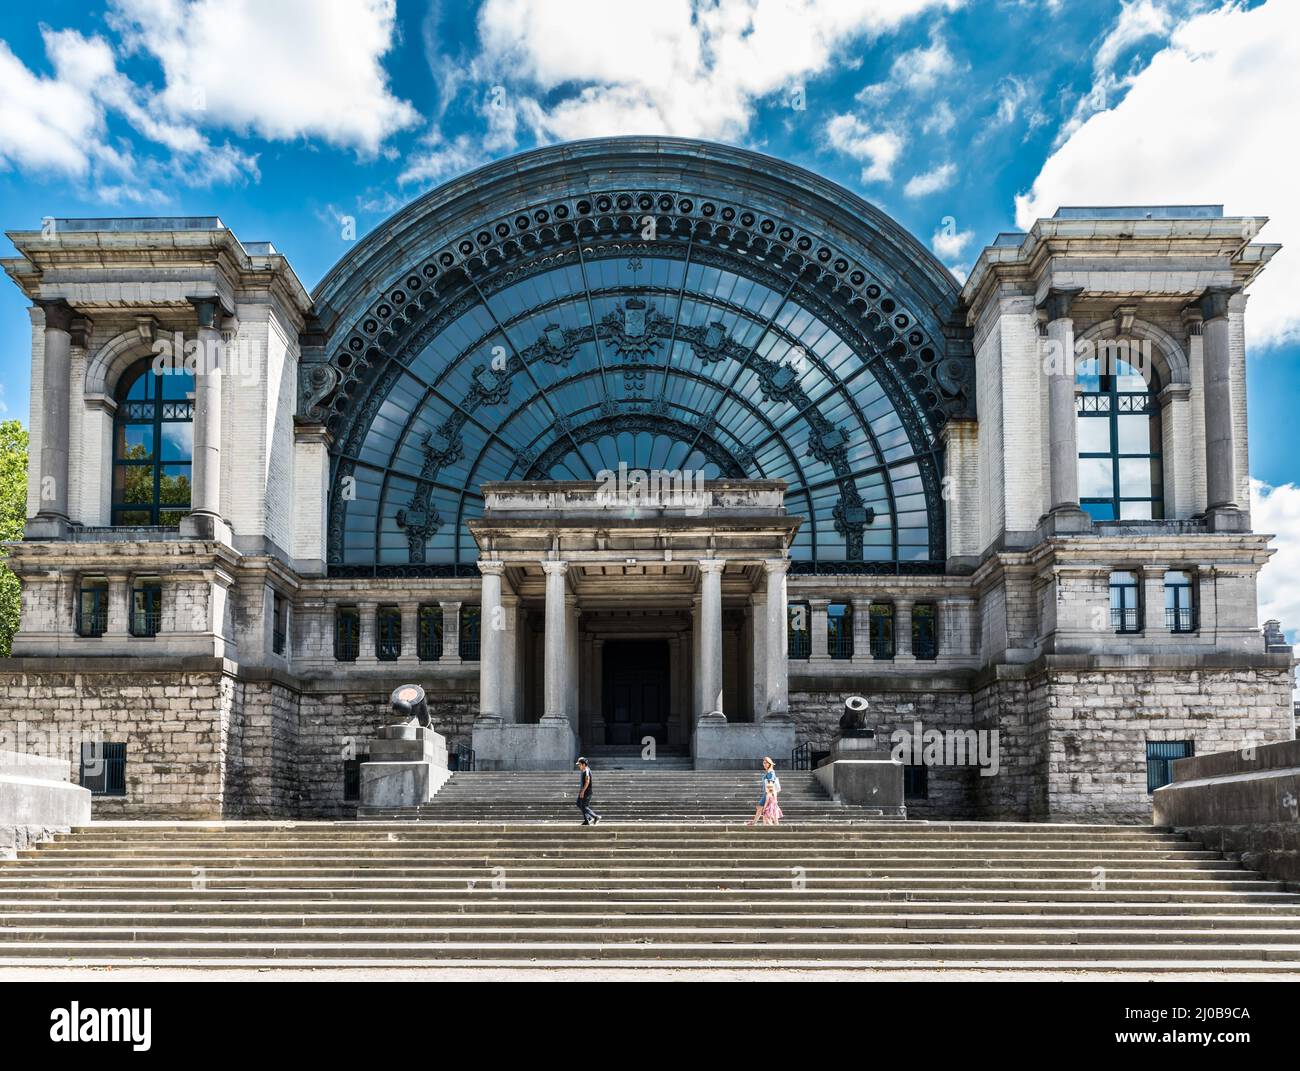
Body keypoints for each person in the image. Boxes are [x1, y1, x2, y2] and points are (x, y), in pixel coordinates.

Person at [747, 756, 779, 825]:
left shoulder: (771, 772)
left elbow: (770, 784)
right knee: (762, 808)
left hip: (768, 794)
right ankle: (754, 823)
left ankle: (774, 825)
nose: (764, 764)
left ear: (769, 764)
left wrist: (768, 796)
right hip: (766, 793)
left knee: (765, 809)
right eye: (763, 763)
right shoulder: (768, 772)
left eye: (765, 763)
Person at [575, 757, 600, 825]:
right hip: (583, 790)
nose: (578, 766)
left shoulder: (587, 770)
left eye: (579, 764)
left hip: (587, 791)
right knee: (578, 803)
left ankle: (595, 817)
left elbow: (587, 781)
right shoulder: (584, 770)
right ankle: (588, 819)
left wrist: (583, 791)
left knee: (584, 806)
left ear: (584, 764)